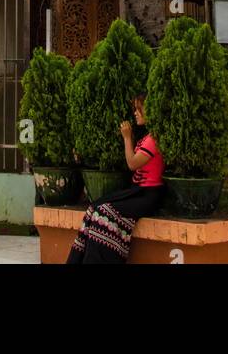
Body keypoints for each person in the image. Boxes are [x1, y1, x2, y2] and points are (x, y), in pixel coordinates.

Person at [67, 97, 165, 265]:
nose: (135, 113)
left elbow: (132, 164)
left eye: (139, 109)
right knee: (93, 209)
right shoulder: (147, 137)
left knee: (103, 213)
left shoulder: (153, 139)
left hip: (148, 196)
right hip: (137, 191)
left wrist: (127, 138)